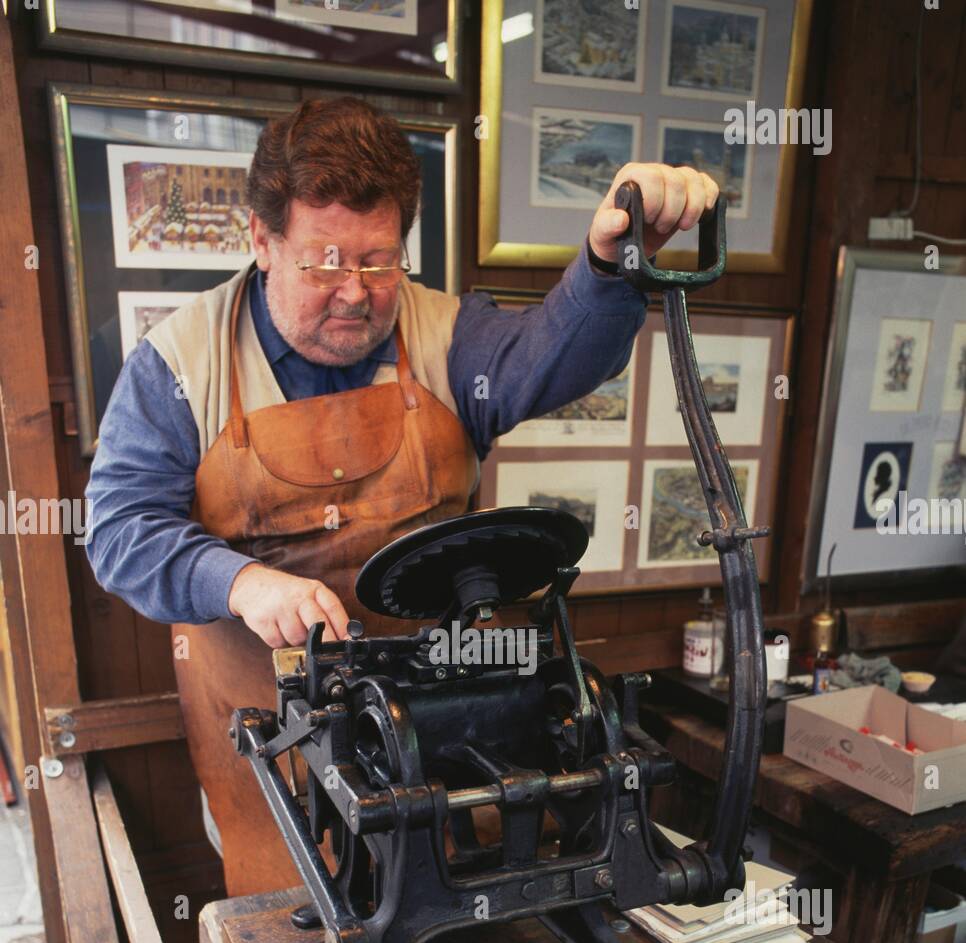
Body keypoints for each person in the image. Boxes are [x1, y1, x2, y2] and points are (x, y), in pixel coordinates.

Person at [86, 96, 718, 895]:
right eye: (324, 261)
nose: (354, 292)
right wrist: (239, 582)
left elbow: (552, 359)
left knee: (463, 934)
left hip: (444, 746)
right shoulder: (180, 363)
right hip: (277, 753)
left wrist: (611, 265)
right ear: (261, 240)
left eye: (380, 262)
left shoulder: (448, 338)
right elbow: (116, 532)